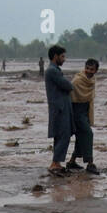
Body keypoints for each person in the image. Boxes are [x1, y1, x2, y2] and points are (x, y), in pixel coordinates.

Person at [66, 58, 100, 174]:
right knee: (88, 133)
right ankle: (90, 163)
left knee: (81, 138)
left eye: (92, 69)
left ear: (96, 71)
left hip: (85, 111)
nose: (89, 71)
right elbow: (69, 98)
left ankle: (71, 161)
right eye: (87, 68)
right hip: (76, 111)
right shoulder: (77, 81)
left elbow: (89, 98)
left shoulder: (92, 81)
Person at [44, 45, 74, 176]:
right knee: (63, 135)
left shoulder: (54, 70)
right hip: (60, 108)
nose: (64, 59)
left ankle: (56, 163)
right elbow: (68, 85)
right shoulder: (52, 71)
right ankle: (55, 163)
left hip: (60, 107)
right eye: (62, 56)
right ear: (55, 56)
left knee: (60, 136)